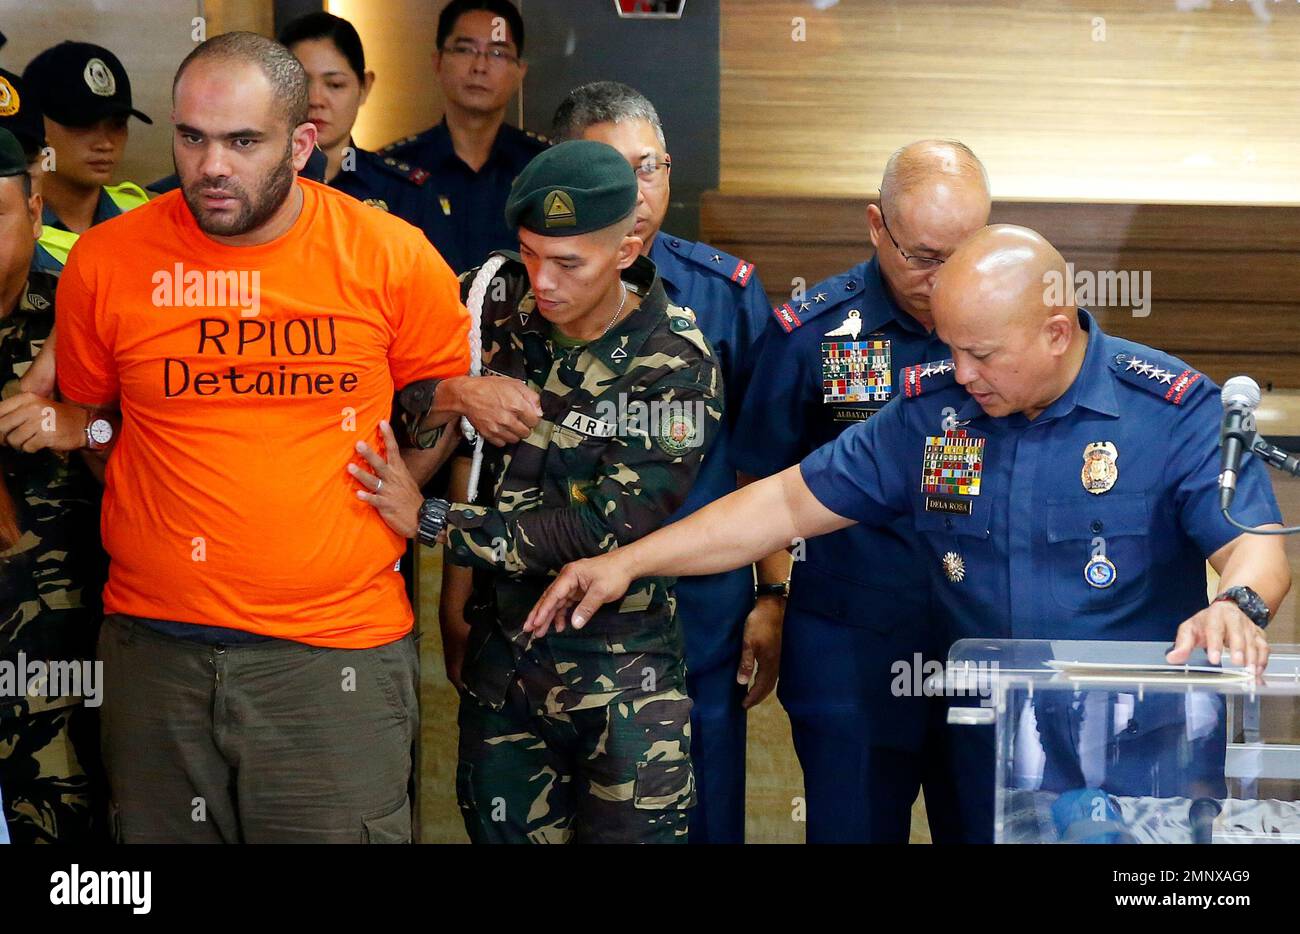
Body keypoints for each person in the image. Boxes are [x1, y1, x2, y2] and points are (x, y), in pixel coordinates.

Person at [528, 224, 1290, 844]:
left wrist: (1240, 605)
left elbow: (1251, 544)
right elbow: (785, 505)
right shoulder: (936, 414)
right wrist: (627, 562)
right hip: (995, 750)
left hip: (1135, 750)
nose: (959, 371)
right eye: (951, 348)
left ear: (1057, 332)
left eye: (981, 354)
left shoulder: (1172, 410)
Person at [24, 31, 476, 843]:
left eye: (243, 141)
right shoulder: (109, 260)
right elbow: (98, 428)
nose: (211, 166)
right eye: (192, 137)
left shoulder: (391, 256)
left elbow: (435, 403)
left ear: (303, 144)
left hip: (331, 656)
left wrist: (405, 486)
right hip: (156, 652)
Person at [357, 140, 723, 843]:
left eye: (567, 263)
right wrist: (454, 392)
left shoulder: (674, 361)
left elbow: (599, 527)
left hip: (622, 687)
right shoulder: (492, 303)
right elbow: (383, 389)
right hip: (507, 674)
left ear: (626, 249)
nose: (542, 281)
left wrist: (431, 521)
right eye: (528, 253)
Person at [729, 140, 990, 843]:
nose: (943, 279)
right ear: (877, 227)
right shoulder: (814, 333)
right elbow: (758, 476)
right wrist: (773, 595)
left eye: (964, 254)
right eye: (924, 256)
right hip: (851, 650)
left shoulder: (1013, 332)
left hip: (981, 647)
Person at [548, 81, 782, 844]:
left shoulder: (726, 295)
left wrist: (773, 596)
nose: (637, 193)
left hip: (695, 624)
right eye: (613, 170)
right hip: (557, 616)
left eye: (650, 168)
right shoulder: (526, 290)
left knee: (704, 819)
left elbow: (764, 464)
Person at [0, 127, 107, 843]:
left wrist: (86, 427)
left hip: (64, 678)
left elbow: (165, 449)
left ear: (36, 213)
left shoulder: (85, 314)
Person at [379, 0, 548, 272]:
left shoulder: (544, 168)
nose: (479, 66)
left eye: (497, 53)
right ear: (437, 61)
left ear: (520, 71)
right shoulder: (391, 169)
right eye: (465, 49)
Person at [278, 11, 455, 251]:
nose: (316, 99)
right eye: (301, 83)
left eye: (335, 85)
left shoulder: (406, 192)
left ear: (364, 87)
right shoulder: (261, 185)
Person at [22, 42, 151, 272]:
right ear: (36, 124)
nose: (105, 143)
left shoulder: (145, 214)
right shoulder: (13, 229)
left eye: (118, 124)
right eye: (83, 123)